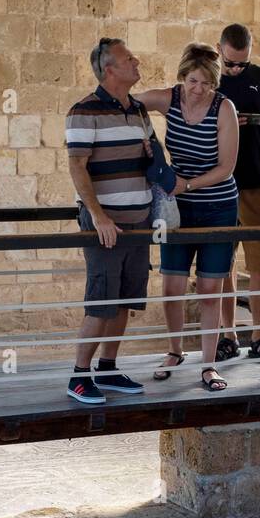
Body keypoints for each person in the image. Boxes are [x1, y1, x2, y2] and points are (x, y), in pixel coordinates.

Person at [137, 44, 239, 392]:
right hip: (175, 207)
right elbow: (129, 103)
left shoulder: (224, 108)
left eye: (207, 83)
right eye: (194, 81)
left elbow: (227, 167)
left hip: (217, 205)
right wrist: (145, 141)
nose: (199, 90)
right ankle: (175, 351)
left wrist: (188, 184)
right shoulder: (169, 99)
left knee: (210, 288)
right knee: (172, 285)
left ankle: (209, 365)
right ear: (182, 78)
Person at [64, 38, 156, 405]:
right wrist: (99, 217)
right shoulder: (83, 111)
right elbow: (77, 166)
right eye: (128, 58)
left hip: (139, 221)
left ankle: (108, 367)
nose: (137, 61)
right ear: (109, 69)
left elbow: (148, 156)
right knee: (101, 300)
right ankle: (78, 376)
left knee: (125, 300)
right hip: (105, 223)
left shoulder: (138, 109)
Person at [215, 23, 260, 362]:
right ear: (219, 50)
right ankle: (227, 335)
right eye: (230, 63)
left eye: (242, 64)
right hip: (218, 184)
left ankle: (259, 335)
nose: (235, 70)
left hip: (258, 180)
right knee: (221, 265)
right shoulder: (208, 81)